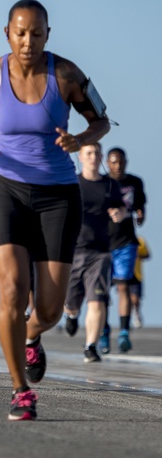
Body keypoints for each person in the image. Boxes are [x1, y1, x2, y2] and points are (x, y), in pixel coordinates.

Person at [0, 0, 110, 421]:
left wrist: (81, 139)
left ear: (47, 34)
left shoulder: (66, 74)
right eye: (20, 32)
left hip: (58, 197)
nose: (27, 41)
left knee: (49, 309)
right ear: (7, 33)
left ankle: (30, 335)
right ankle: (19, 390)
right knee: (12, 290)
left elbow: (102, 121)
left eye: (36, 33)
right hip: (6, 192)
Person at [62, 142, 127, 363]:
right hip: (73, 250)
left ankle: (90, 346)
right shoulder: (73, 183)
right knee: (70, 301)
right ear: (80, 157)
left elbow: (122, 206)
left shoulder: (110, 185)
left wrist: (120, 212)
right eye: (88, 153)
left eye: (97, 153)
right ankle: (71, 315)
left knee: (97, 301)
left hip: (100, 252)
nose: (93, 157)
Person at [98, 147, 147, 353]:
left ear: (126, 162)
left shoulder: (134, 182)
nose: (118, 166)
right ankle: (104, 331)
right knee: (101, 293)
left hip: (126, 242)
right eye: (113, 162)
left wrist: (135, 214)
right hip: (101, 244)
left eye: (121, 162)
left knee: (123, 286)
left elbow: (140, 209)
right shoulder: (101, 183)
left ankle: (124, 332)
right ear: (107, 163)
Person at [131, 236, 151, 328]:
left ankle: (136, 313)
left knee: (135, 298)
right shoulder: (118, 238)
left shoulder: (140, 241)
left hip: (136, 274)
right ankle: (125, 320)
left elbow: (147, 255)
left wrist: (138, 255)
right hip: (121, 273)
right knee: (125, 296)